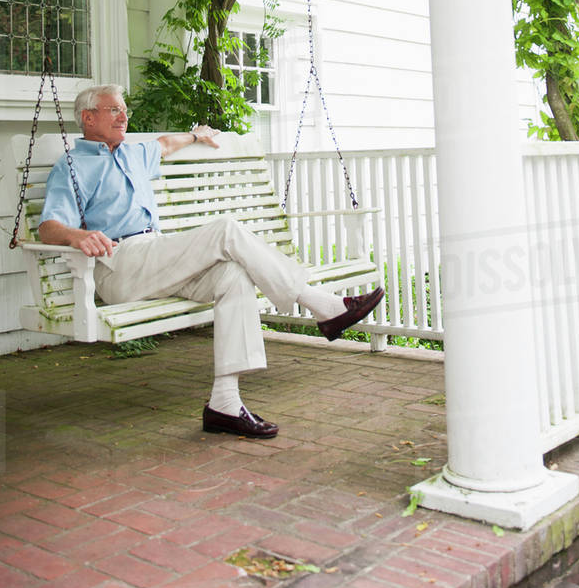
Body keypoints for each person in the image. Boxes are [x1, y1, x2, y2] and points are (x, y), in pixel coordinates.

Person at [38, 84, 384, 439]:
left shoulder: (133, 153)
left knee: (232, 275)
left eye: (124, 109)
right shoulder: (73, 165)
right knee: (225, 230)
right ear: (88, 117)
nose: (124, 116)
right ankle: (320, 304)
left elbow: (164, 145)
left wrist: (194, 135)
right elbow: (48, 226)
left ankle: (225, 402)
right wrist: (78, 236)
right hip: (120, 265)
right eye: (114, 110)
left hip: (156, 257)